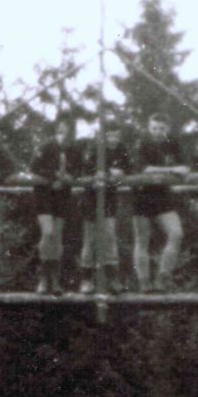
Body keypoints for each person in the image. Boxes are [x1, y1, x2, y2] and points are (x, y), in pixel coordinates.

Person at [130, 113, 188, 292]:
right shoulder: (141, 144)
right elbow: (145, 169)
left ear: (167, 129)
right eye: (154, 128)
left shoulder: (173, 144)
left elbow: (185, 167)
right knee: (142, 240)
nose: (157, 132)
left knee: (177, 233)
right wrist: (172, 169)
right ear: (149, 128)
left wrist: (180, 169)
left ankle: (163, 277)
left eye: (161, 129)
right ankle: (144, 282)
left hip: (163, 195)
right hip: (142, 195)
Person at [29, 115, 76, 294]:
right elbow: (33, 168)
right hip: (45, 194)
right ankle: (43, 277)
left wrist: (70, 177)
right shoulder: (46, 147)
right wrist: (53, 177)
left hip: (63, 195)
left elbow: (78, 170)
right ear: (57, 130)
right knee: (48, 233)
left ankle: (55, 280)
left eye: (68, 132)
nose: (65, 136)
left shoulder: (73, 150)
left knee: (56, 236)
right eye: (62, 131)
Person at [76, 121, 124, 293]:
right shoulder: (93, 151)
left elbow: (126, 171)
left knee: (110, 236)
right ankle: (86, 280)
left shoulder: (121, 150)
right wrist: (95, 178)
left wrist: (114, 175)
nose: (114, 139)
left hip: (109, 198)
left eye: (117, 136)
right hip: (91, 199)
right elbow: (83, 176)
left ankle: (113, 279)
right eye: (110, 136)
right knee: (90, 238)